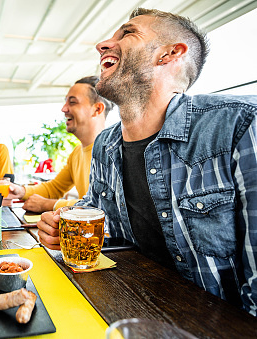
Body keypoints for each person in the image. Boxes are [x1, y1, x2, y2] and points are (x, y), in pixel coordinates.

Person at [37, 8, 257, 315]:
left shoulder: (241, 124)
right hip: (133, 310)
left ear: (169, 54)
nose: (103, 44)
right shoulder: (106, 144)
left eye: (127, 33)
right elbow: (96, 209)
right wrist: (62, 220)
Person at [7, 76, 114, 213]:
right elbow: (55, 188)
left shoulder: (112, 151)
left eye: (73, 102)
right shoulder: (77, 153)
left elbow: (103, 205)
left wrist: (50, 205)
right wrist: (20, 191)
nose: (64, 109)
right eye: (65, 102)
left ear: (97, 109)